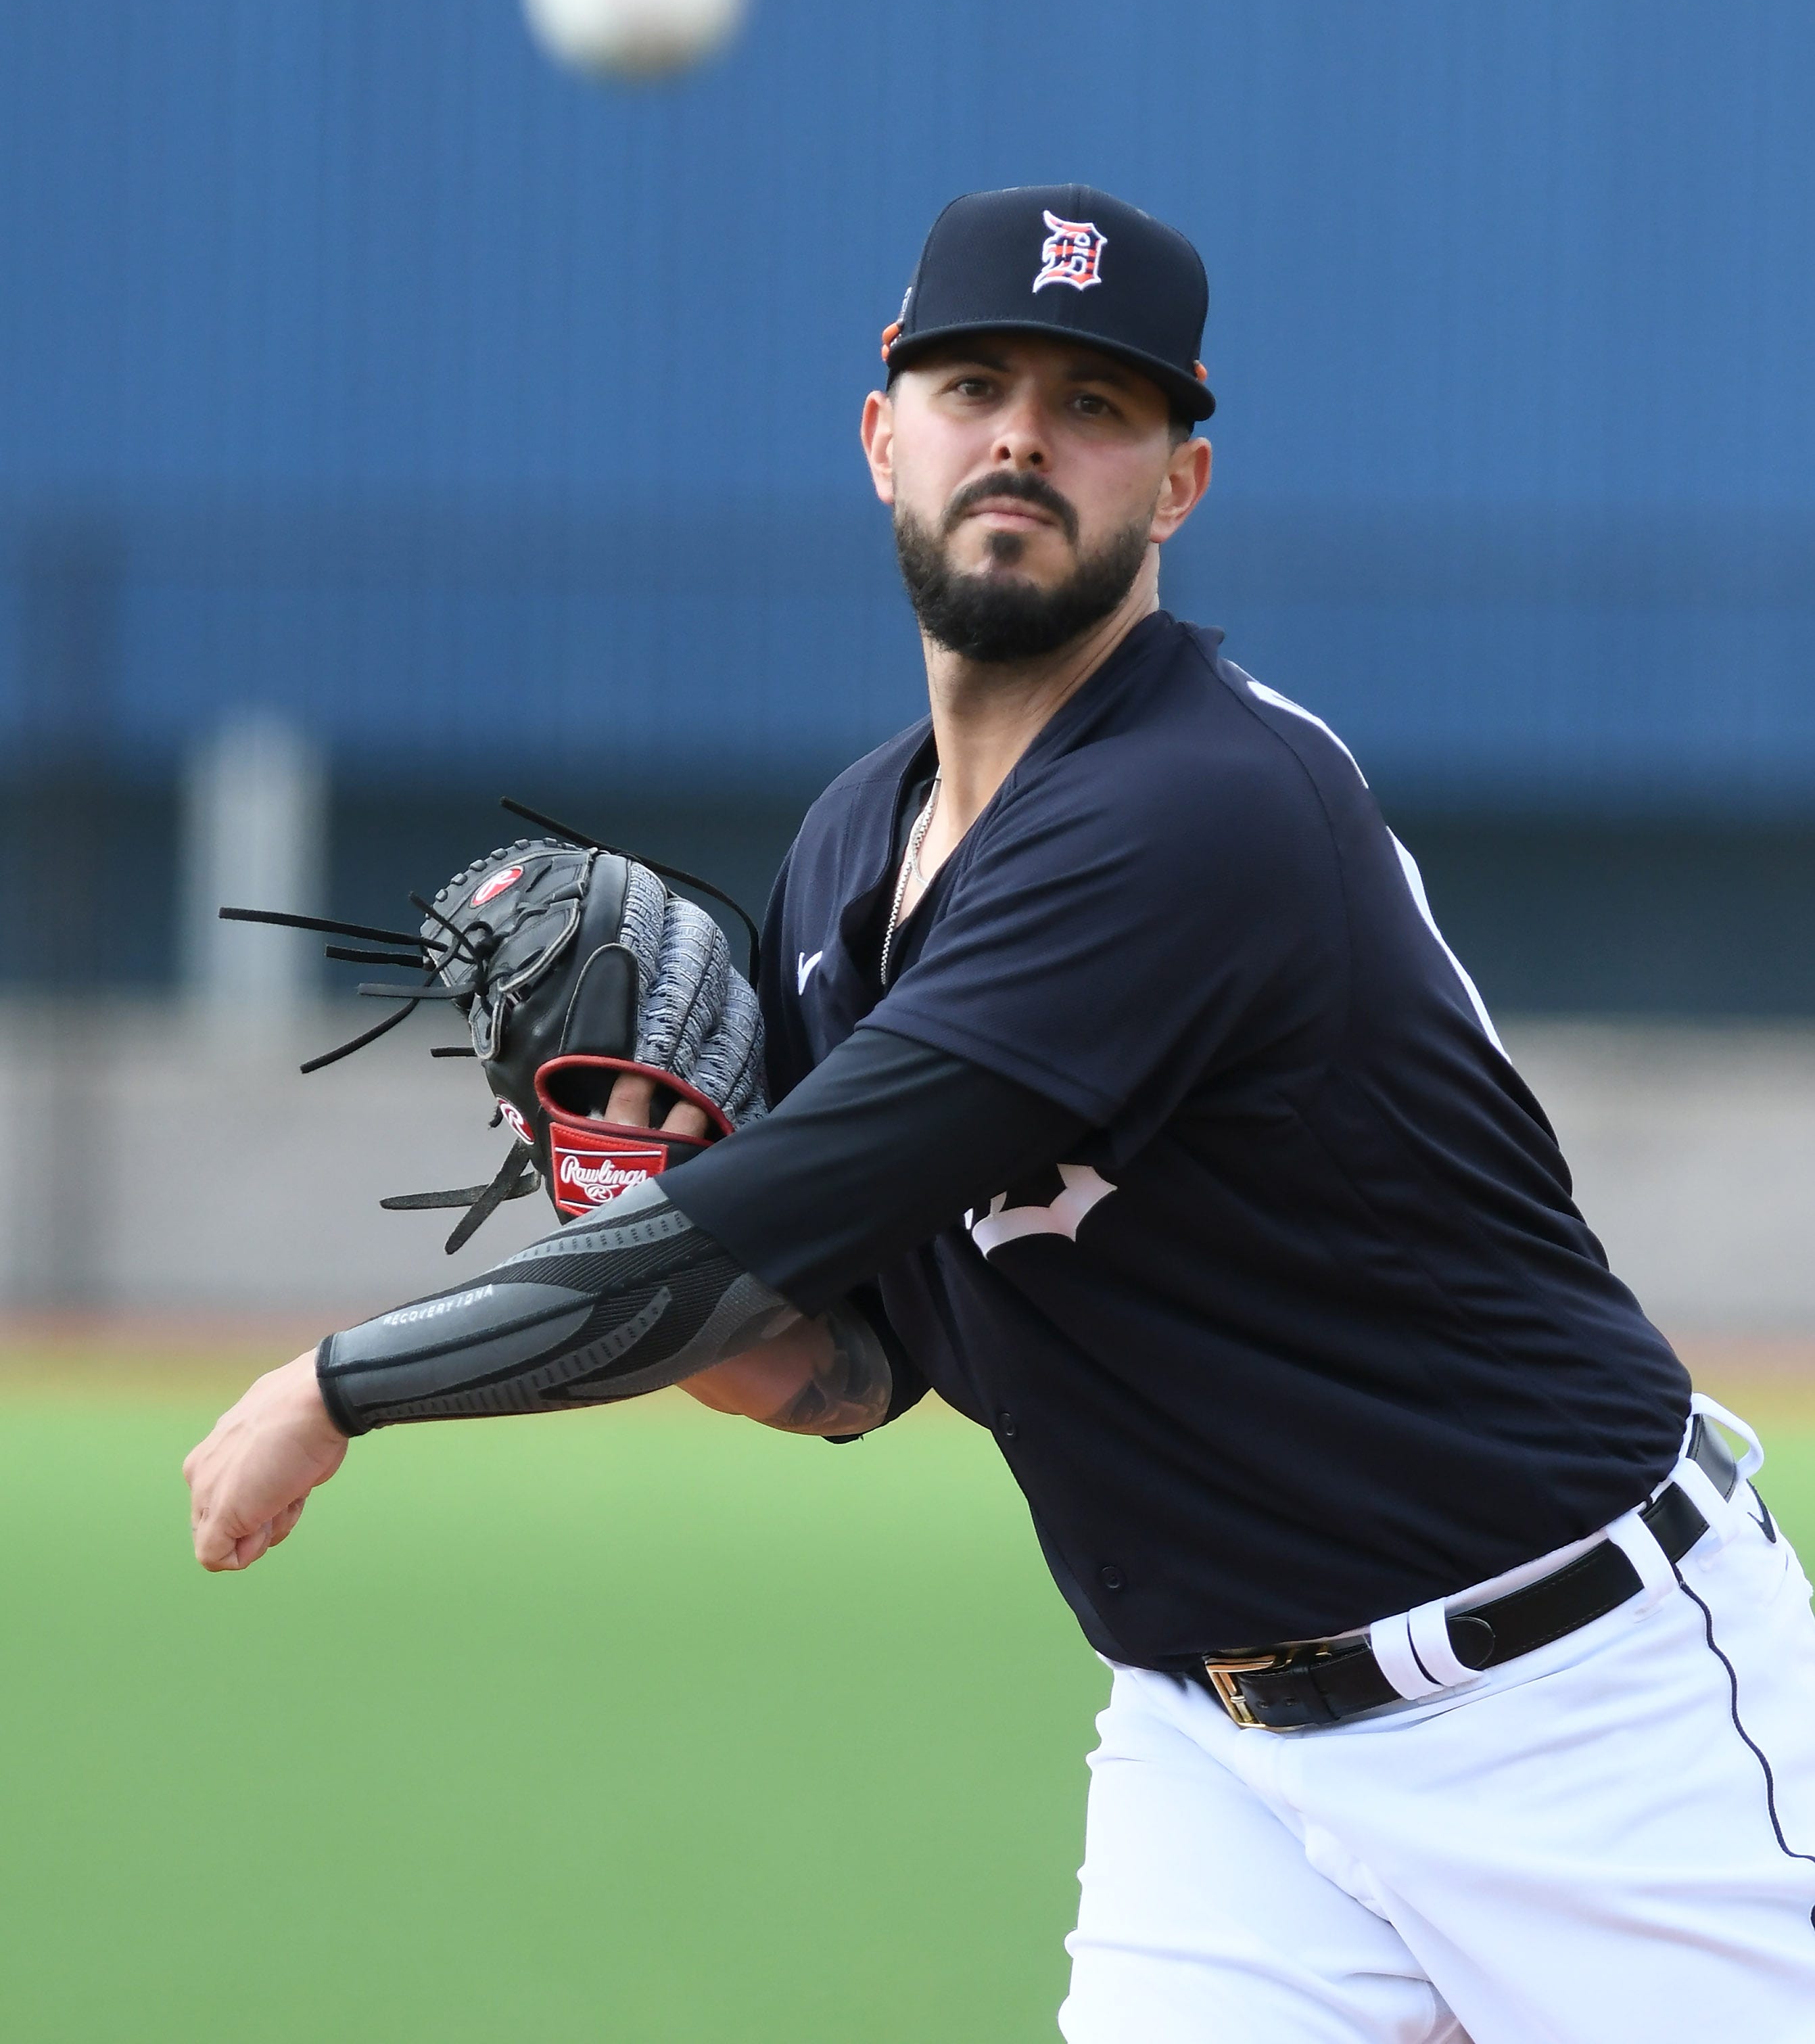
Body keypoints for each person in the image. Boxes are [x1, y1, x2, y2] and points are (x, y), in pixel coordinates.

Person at [185, 185, 1815, 2043]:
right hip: (1221, 1752)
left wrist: (338, 1387)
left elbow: (735, 1249)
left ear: (1177, 486)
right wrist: (612, 1164)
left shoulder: (1192, 813)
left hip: (1587, 1711)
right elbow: (839, 1370)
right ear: (884, 440)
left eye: (1093, 404)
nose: (1023, 438)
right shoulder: (846, 857)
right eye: (973, 387)